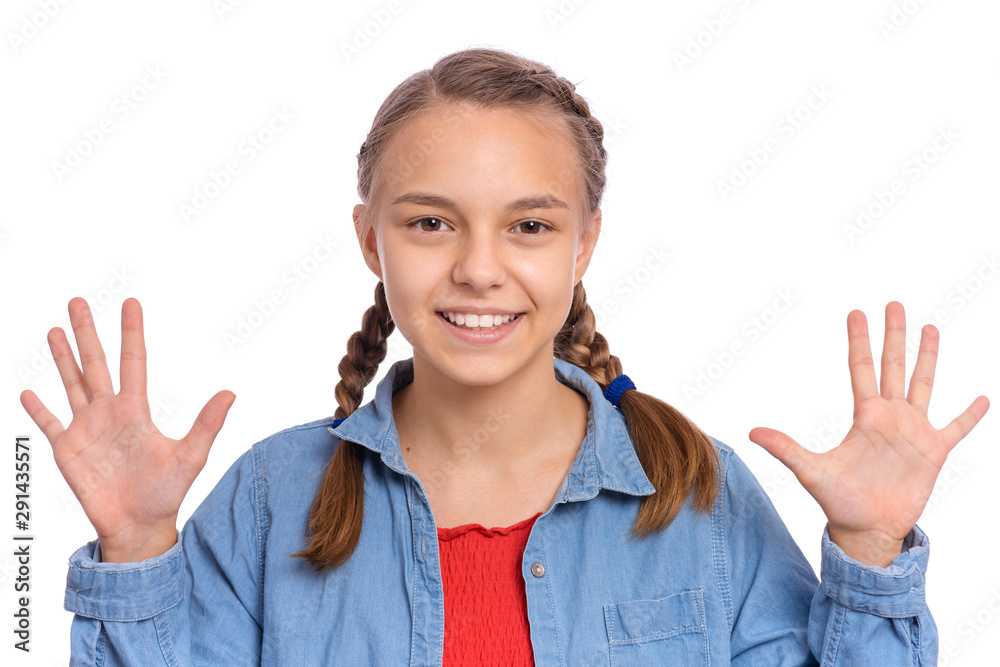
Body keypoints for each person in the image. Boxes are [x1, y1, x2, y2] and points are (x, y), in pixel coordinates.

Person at [21, 47, 989, 666]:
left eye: (528, 224)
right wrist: (140, 549)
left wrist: (868, 553)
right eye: (431, 222)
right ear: (370, 240)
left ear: (583, 244)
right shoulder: (274, 493)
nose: (478, 269)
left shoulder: (693, 493)